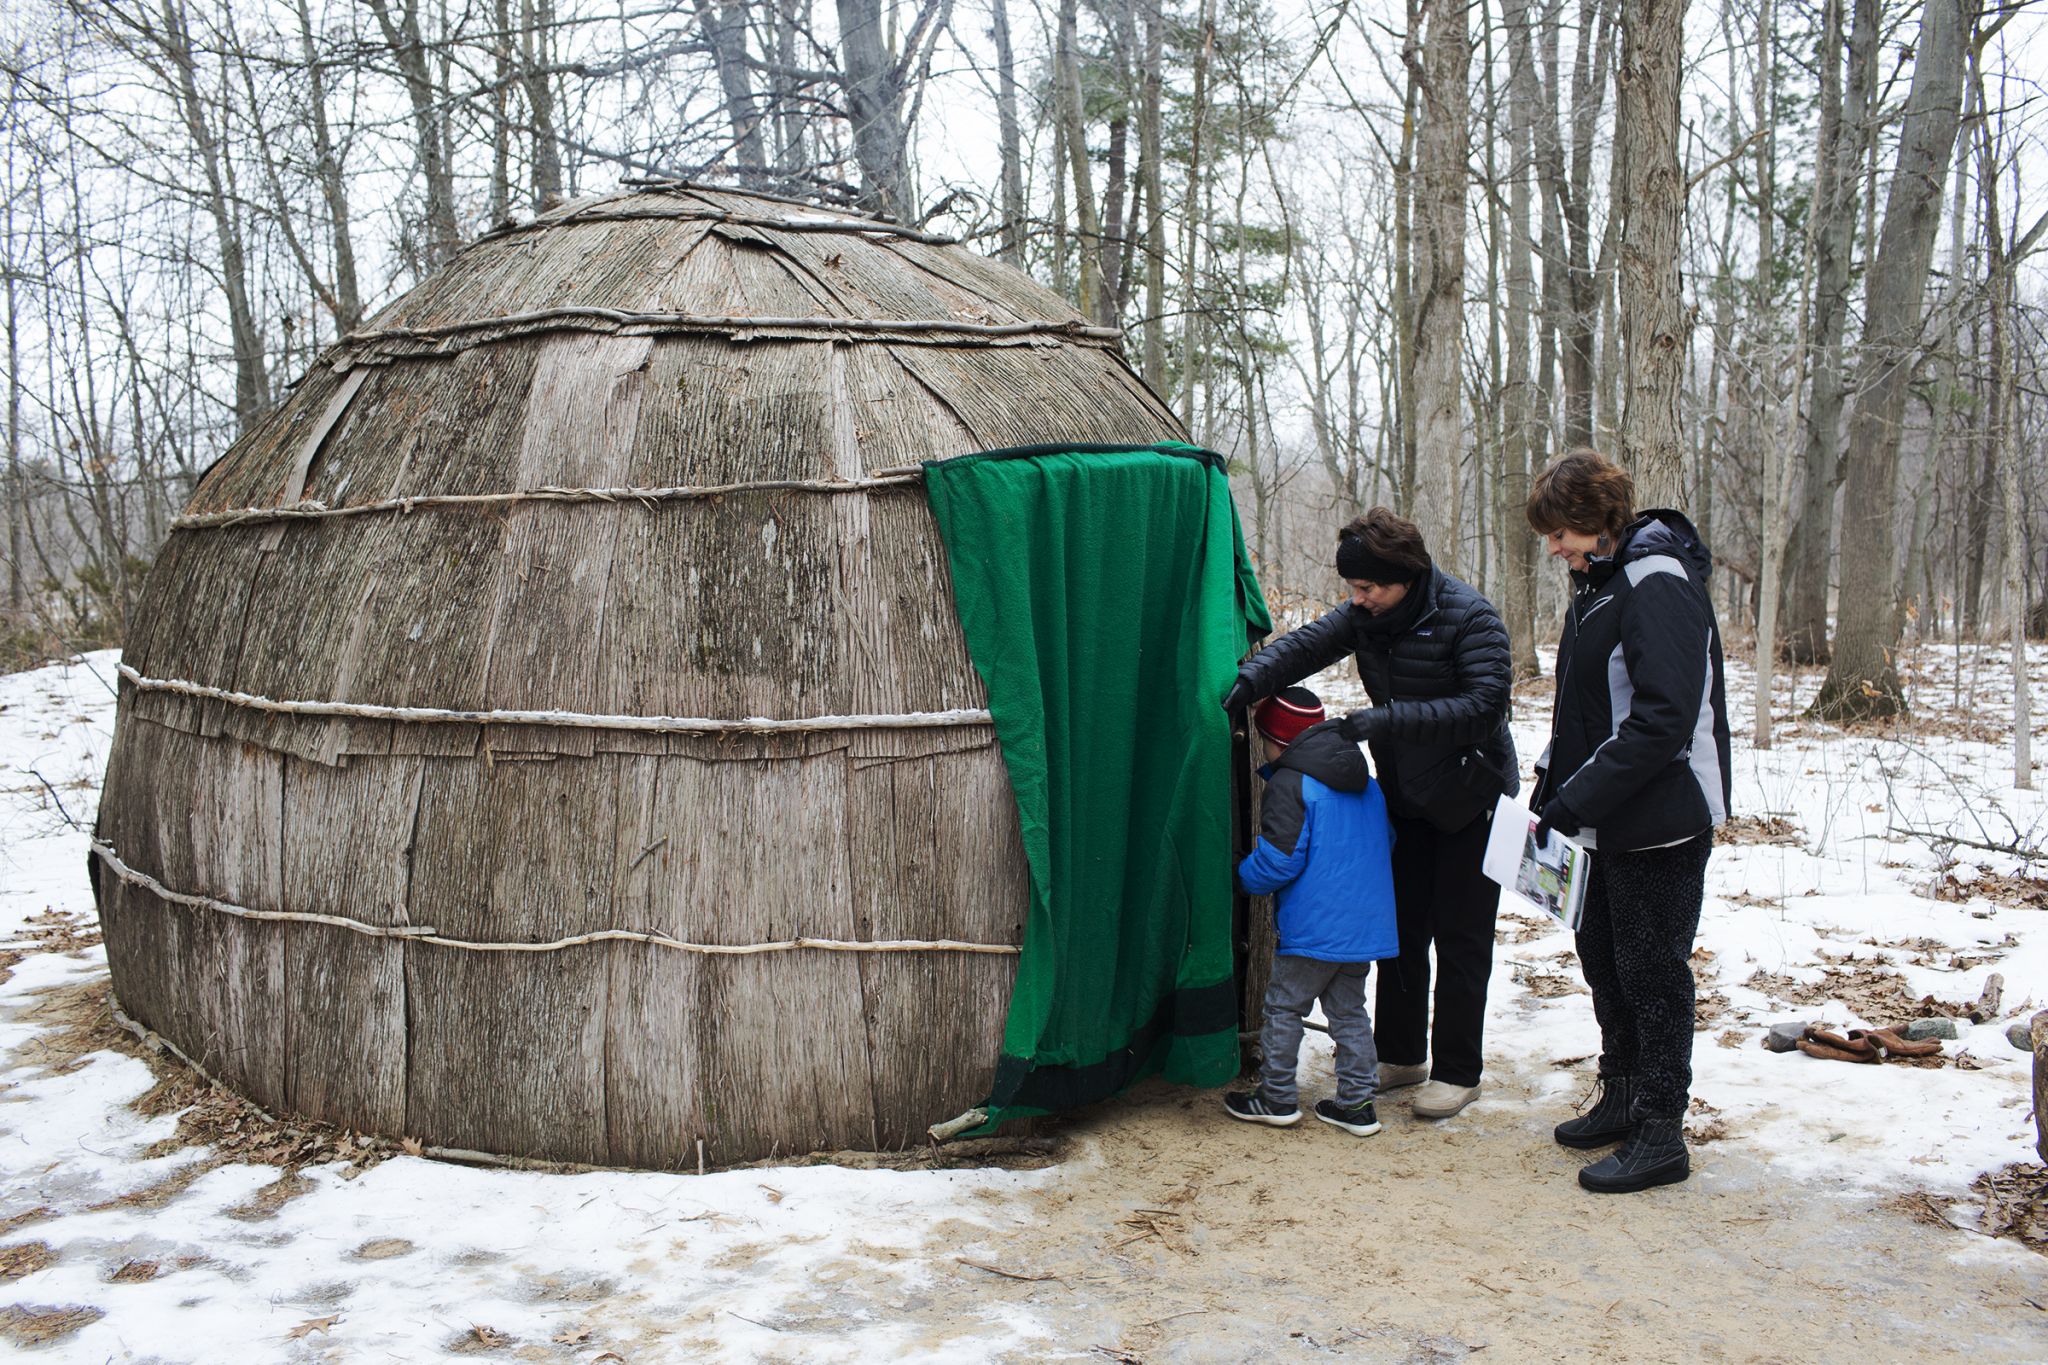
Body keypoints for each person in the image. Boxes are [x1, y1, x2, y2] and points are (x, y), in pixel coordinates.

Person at [1223, 509, 1517, 1121]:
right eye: (1353, 588)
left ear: (1406, 577)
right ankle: (1402, 1056)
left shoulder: (1471, 617)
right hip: (1408, 797)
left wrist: (1385, 720)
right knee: (1400, 931)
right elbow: (1308, 645)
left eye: (1367, 587)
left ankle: (1458, 1071)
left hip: (1473, 799)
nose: (1357, 599)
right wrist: (1248, 681)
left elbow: (1485, 708)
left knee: (1462, 939)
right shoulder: (1368, 614)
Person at [1524, 449, 1730, 1194]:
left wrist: (1577, 796)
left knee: (1652, 971)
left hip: (1661, 815)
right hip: (1601, 815)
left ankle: (1660, 1128)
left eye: (1560, 532)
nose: (1554, 548)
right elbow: (1585, 707)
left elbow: (1662, 719)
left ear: (1596, 517)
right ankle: (1621, 1091)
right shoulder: (1597, 582)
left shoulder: (1655, 578)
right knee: (1604, 958)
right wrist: (1550, 780)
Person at [1224, 687, 1398, 1136]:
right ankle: (1357, 1103)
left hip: (1314, 926)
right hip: (1362, 925)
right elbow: (1387, 841)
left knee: (1283, 1007)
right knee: (1349, 1011)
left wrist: (1240, 876)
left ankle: (1276, 1096)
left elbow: (1279, 861)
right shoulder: (1365, 781)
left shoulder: (1290, 783)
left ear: (1276, 739)